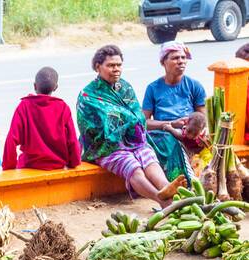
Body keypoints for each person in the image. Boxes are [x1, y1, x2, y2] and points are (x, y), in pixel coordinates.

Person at [77, 45, 184, 203]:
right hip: (106, 148)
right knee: (133, 168)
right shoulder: (88, 95)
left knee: (149, 160)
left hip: (135, 142)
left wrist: (128, 121)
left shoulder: (125, 87)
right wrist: (128, 120)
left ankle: (167, 187)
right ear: (98, 67)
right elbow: (100, 125)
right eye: (111, 65)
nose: (116, 69)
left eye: (119, 65)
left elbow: (138, 115)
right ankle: (161, 200)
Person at [142, 41, 206, 182]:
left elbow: (202, 117)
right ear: (163, 62)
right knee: (167, 141)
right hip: (163, 134)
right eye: (175, 58)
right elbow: (144, 122)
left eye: (183, 58)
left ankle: (186, 182)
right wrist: (170, 124)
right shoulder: (153, 88)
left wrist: (192, 128)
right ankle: (176, 183)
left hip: (189, 133)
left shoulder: (194, 86)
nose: (181, 61)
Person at [2, 67, 82, 171]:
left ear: (35, 85)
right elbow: (72, 140)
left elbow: (12, 139)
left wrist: (9, 166)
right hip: (57, 166)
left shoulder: (24, 106)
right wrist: (74, 162)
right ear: (55, 87)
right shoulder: (63, 108)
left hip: (29, 166)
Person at [177, 110, 213, 179]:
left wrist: (204, 143)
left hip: (202, 153)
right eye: (189, 131)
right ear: (186, 123)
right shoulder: (183, 130)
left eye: (195, 134)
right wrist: (169, 128)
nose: (190, 136)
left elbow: (208, 148)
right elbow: (178, 136)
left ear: (201, 130)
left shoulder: (202, 137)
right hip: (192, 153)